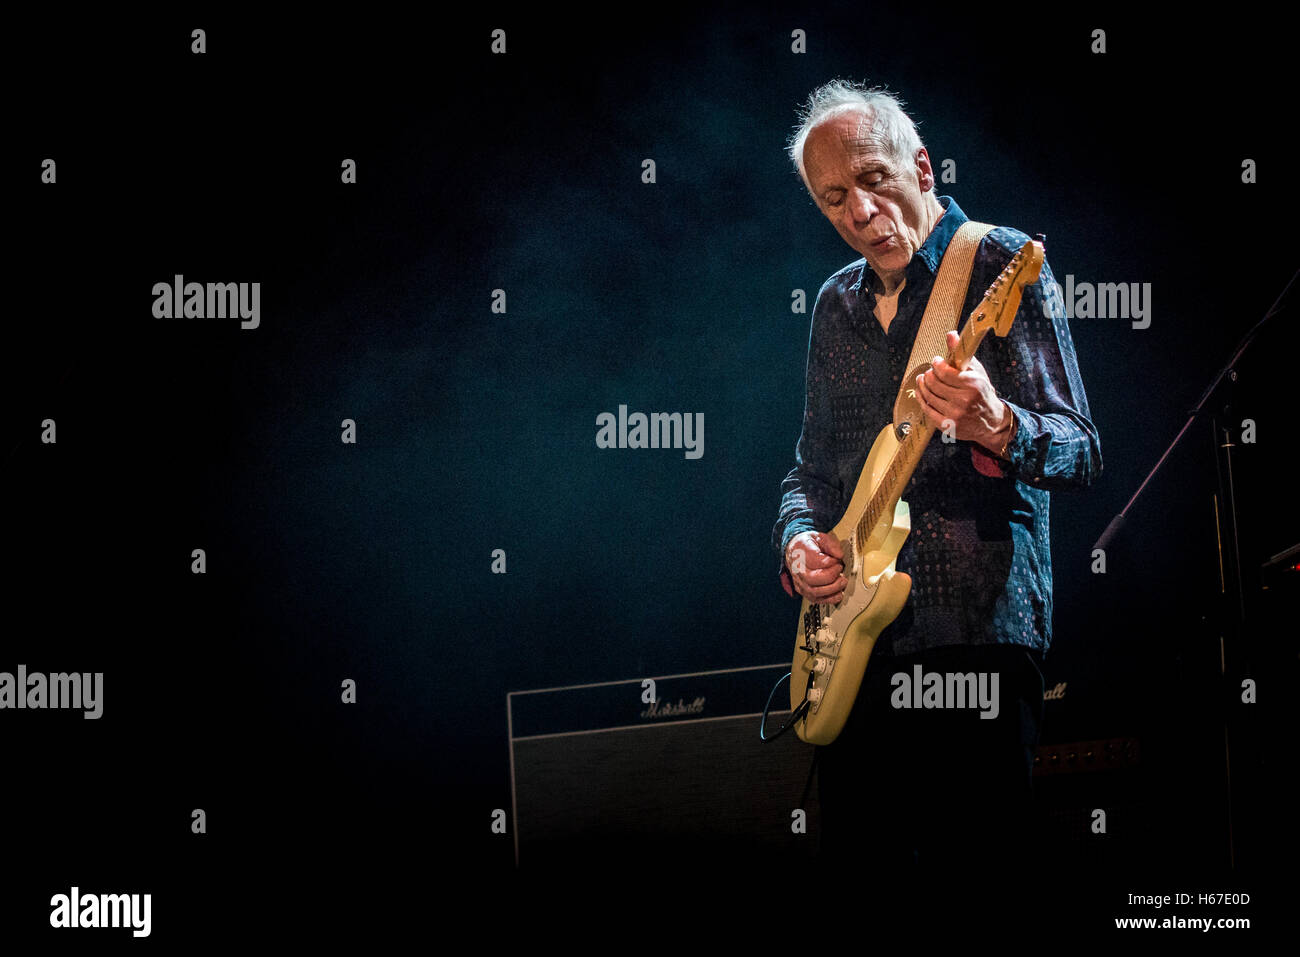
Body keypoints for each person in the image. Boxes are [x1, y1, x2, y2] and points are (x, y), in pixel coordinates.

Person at [772, 80, 1101, 896]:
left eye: (873, 179)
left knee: (979, 883)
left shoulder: (998, 260)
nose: (858, 212)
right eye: (833, 199)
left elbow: (1082, 449)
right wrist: (799, 542)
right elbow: (811, 472)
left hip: (976, 636)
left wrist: (998, 424)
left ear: (920, 164)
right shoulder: (834, 305)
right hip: (854, 646)